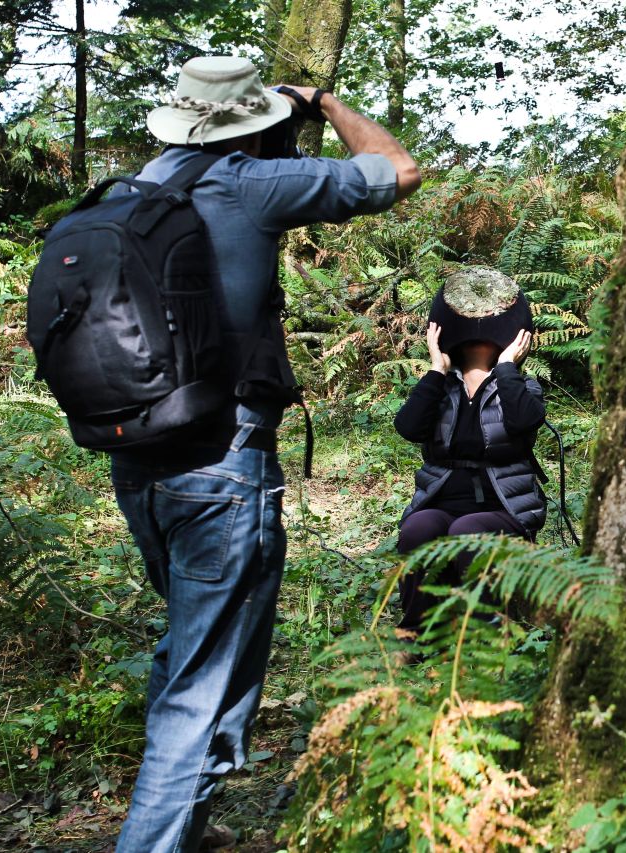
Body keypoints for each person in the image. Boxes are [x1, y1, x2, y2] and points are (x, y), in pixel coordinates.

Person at [106, 56, 420, 852]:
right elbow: (395, 168)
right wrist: (321, 98)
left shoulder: (132, 189)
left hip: (137, 460)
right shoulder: (248, 182)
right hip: (224, 459)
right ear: (255, 121)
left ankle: (190, 826)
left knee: (192, 650)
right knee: (200, 686)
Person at [393, 303, 547, 631]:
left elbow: (526, 422)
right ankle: (415, 632)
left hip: (503, 507)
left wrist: (506, 368)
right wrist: (436, 370)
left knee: (468, 532)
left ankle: (485, 634)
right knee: (417, 530)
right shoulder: (442, 387)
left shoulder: (520, 386)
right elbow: (408, 427)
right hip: (444, 503)